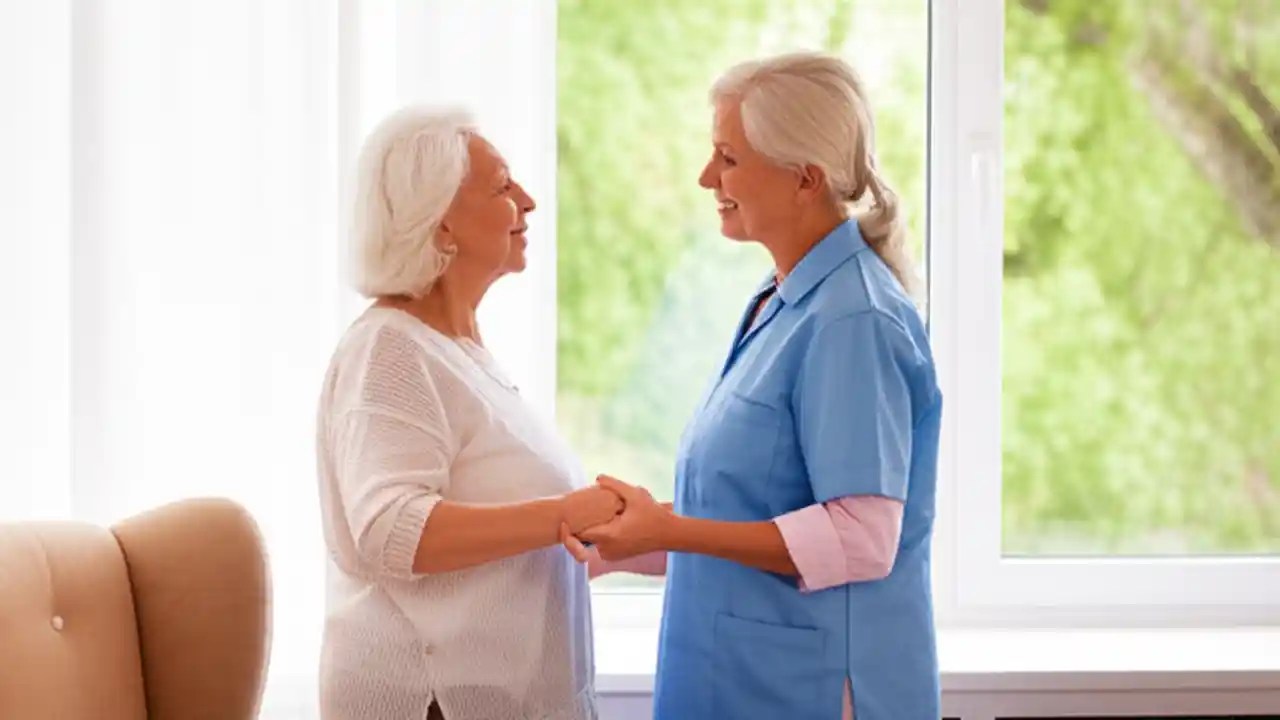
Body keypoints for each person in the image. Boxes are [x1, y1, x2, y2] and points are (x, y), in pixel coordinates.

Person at [564, 52, 943, 719]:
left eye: (728, 158)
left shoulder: (852, 319)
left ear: (805, 179)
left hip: (814, 690)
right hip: (746, 681)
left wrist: (671, 532)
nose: (707, 176)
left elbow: (861, 539)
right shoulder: (784, 300)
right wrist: (641, 541)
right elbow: (754, 513)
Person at [316, 107, 619, 720]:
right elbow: (391, 531)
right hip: (431, 701)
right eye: (503, 186)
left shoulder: (458, 352)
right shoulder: (391, 348)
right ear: (441, 221)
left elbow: (509, 537)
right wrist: (561, 514)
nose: (529, 202)